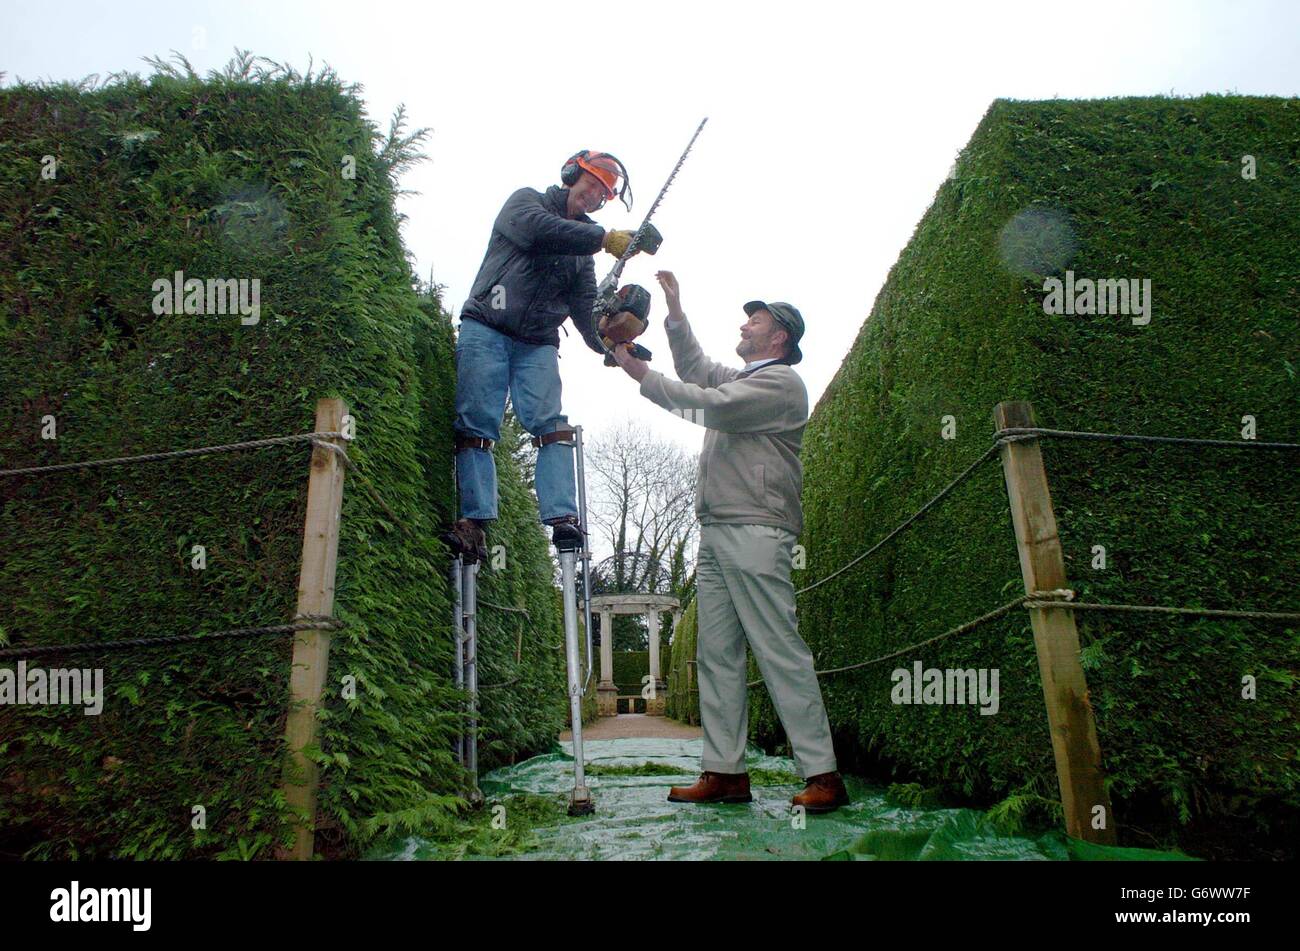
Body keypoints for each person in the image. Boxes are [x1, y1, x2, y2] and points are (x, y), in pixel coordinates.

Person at [610, 270, 850, 813]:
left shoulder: (780, 384)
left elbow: (706, 404)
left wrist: (637, 372)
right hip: (718, 529)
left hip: (756, 527)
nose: (745, 324)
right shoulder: (745, 377)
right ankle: (724, 773)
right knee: (717, 656)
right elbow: (697, 372)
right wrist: (673, 312)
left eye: (755, 319)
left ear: (779, 337)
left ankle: (824, 775)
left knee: (778, 649)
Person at [443, 151, 646, 560]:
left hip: (537, 342)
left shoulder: (583, 254)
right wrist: (604, 238)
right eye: (591, 184)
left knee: (551, 426)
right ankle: (474, 522)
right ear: (572, 174)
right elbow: (537, 232)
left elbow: (585, 309)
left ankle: (562, 518)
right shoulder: (526, 203)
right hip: (487, 325)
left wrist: (612, 345)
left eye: (602, 194)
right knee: (476, 424)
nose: (593, 196)